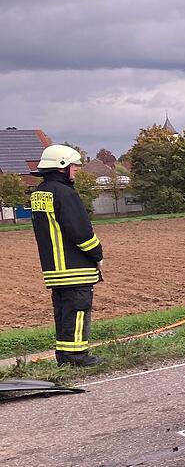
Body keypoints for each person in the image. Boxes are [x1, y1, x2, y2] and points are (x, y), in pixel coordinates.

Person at [29, 145, 105, 366]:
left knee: (63, 314)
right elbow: (80, 231)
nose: (77, 170)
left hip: (54, 269)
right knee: (78, 311)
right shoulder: (65, 194)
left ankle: (64, 356)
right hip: (75, 267)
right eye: (74, 165)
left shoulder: (39, 194)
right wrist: (97, 253)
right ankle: (77, 357)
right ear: (62, 167)